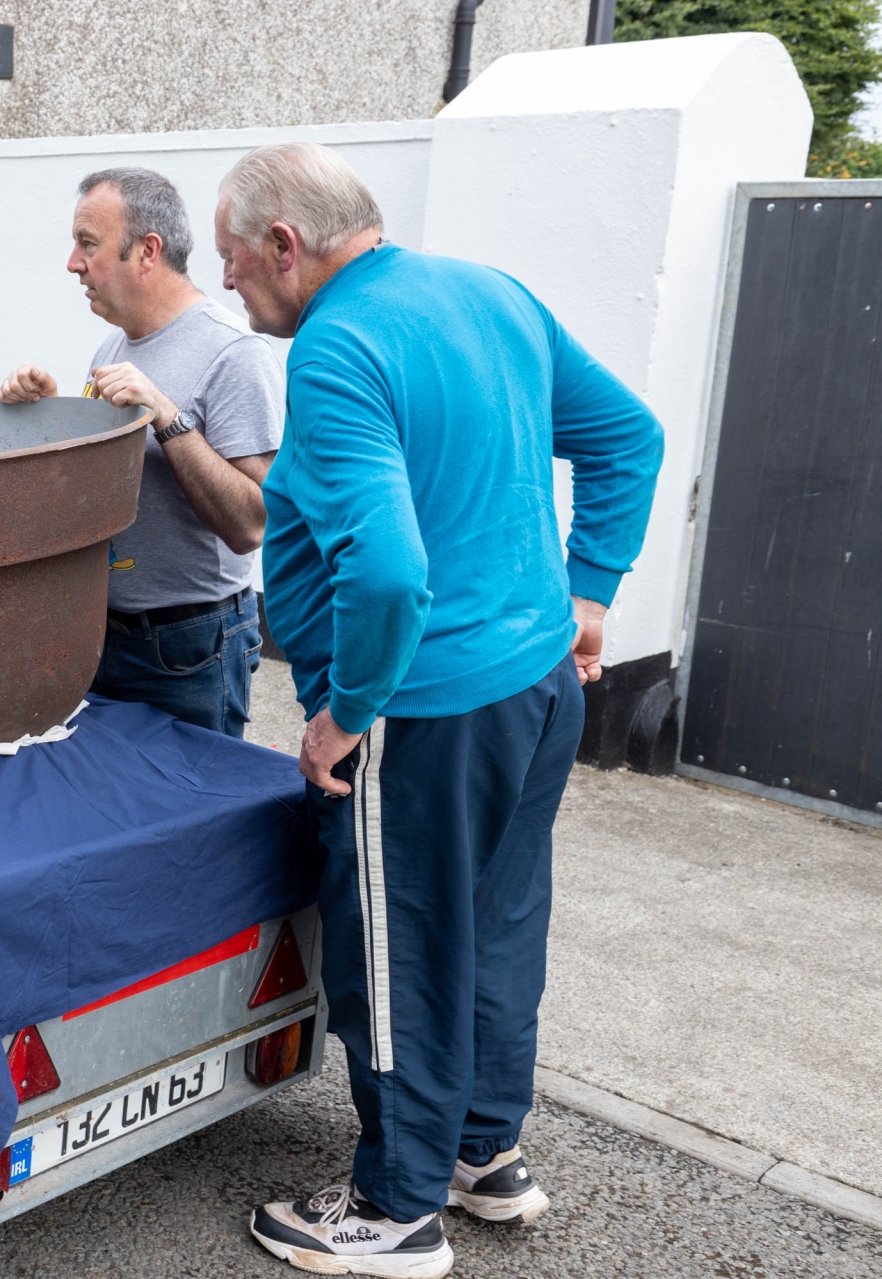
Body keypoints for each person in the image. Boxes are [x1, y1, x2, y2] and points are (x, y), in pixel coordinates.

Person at [220, 144, 663, 1278]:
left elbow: (388, 574)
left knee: (401, 946)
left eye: (233, 260)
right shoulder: (486, 291)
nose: (230, 285)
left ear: (285, 244)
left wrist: (344, 713)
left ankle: (394, 1206)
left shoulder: (338, 347)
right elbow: (631, 434)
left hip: (425, 713)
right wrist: (589, 593)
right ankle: (482, 1154)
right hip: (534, 688)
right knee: (497, 928)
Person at [0, 168, 282, 738]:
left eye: (87, 244)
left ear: (147, 251)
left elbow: (252, 523)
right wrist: (49, 416)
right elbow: (96, 486)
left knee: (192, 815)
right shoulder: (115, 342)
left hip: (188, 647)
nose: (72, 263)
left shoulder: (234, 354)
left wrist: (169, 417)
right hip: (102, 629)